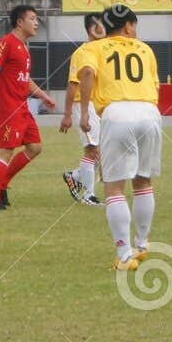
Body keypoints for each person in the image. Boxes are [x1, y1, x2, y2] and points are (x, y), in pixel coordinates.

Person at [78, 5, 163, 270]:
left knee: (114, 187)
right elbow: (156, 85)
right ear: (128, 25)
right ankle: (142, 244)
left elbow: (87, 73)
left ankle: (125, 255)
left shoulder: (94, 48)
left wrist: (84, 111)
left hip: (116, 113)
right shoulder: (145, 49)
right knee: (143, 181)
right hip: (149, 112)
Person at [0, 5, 57, 210]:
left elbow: (25, 79)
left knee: (35, 147)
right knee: (6, 150)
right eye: (32, 19)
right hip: (8, 107)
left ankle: (2, 184)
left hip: (22, 106)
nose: (36, 23)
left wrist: (43, 96)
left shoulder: (24, 47)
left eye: (36, 19)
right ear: (19, 22)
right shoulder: (6, 42)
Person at [60, 12, 108, 206]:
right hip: (84, 105)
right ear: (92, 29)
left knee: (99, 150)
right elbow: (72, 85)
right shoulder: (82, 53)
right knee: (91, 149)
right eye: (102, 25)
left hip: (99, 105)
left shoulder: (104, 51)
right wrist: (68, 114)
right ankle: (89, 195)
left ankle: (74, 176)